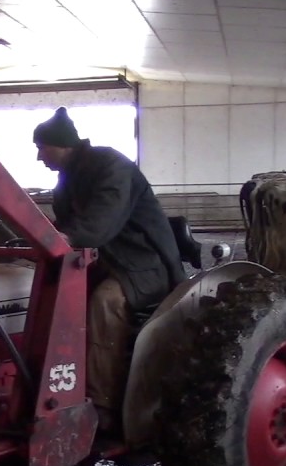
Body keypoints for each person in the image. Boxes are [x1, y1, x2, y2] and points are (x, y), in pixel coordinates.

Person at [33, 106, 186, 434]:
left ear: (63, 145)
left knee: (105, 303)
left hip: (143, 263)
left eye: (41, 148)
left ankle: (102, 405)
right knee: (53, 296)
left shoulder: (110, 166)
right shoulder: (69, 178)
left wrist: (65, 236)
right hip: (106, 260)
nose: (38, 157)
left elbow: (98, 224)